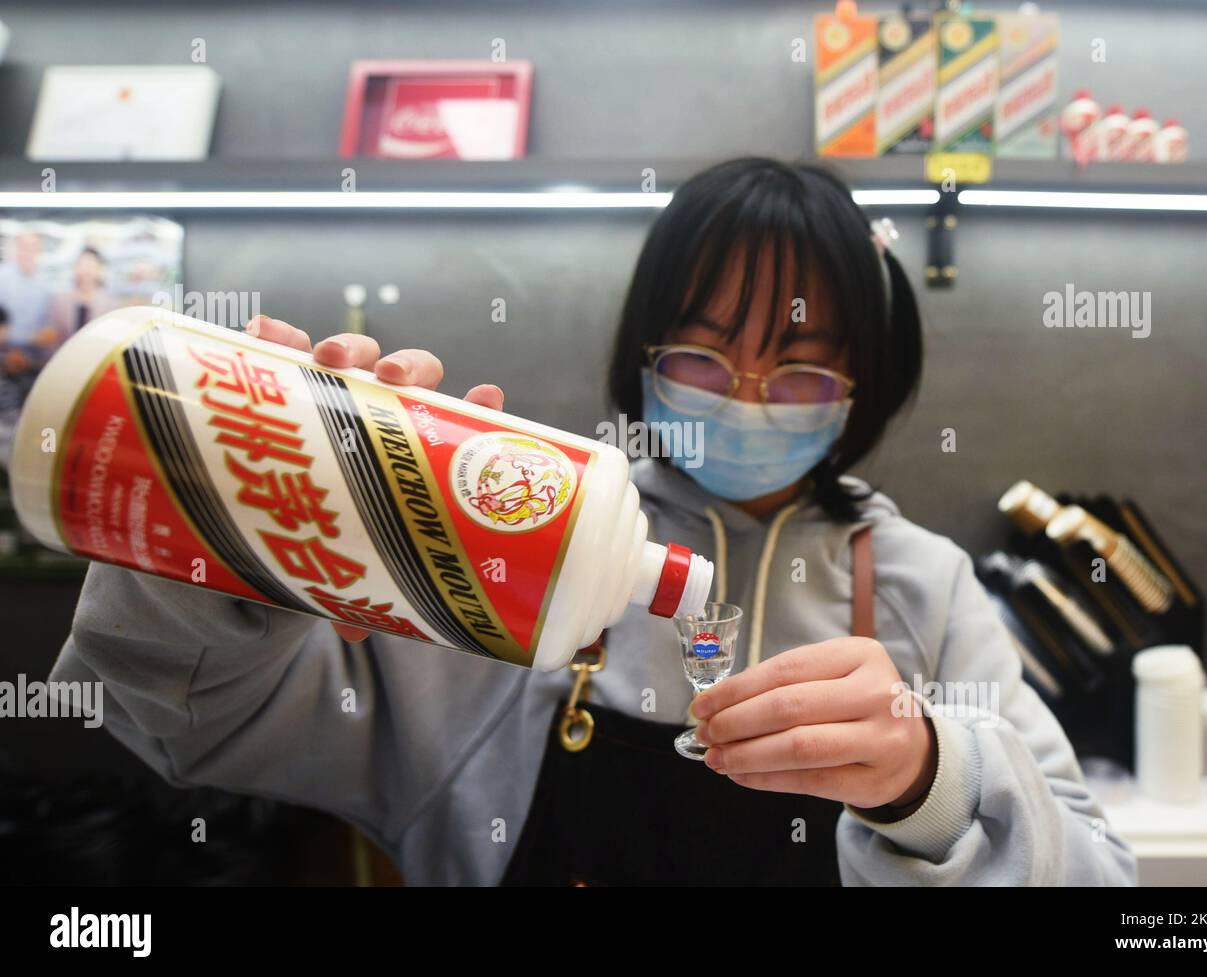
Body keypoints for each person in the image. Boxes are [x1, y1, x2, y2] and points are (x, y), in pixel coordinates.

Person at [51, 158, 1136, 885]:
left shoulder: (923, 584)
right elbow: (180, 717)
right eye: (707, 354)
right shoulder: (512, 542)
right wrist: (254, 523)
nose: (747, 393)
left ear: (864, 390)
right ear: (646, 357)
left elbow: (1103, 877)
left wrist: (926, 773)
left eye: (801, 367)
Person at [45, 247, 117, 341]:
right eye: (82, 265)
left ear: (100, 270)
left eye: (91, 265)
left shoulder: (111, 305)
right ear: (75, 269)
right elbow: (53, 337)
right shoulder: (60, 301)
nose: (86, 270)